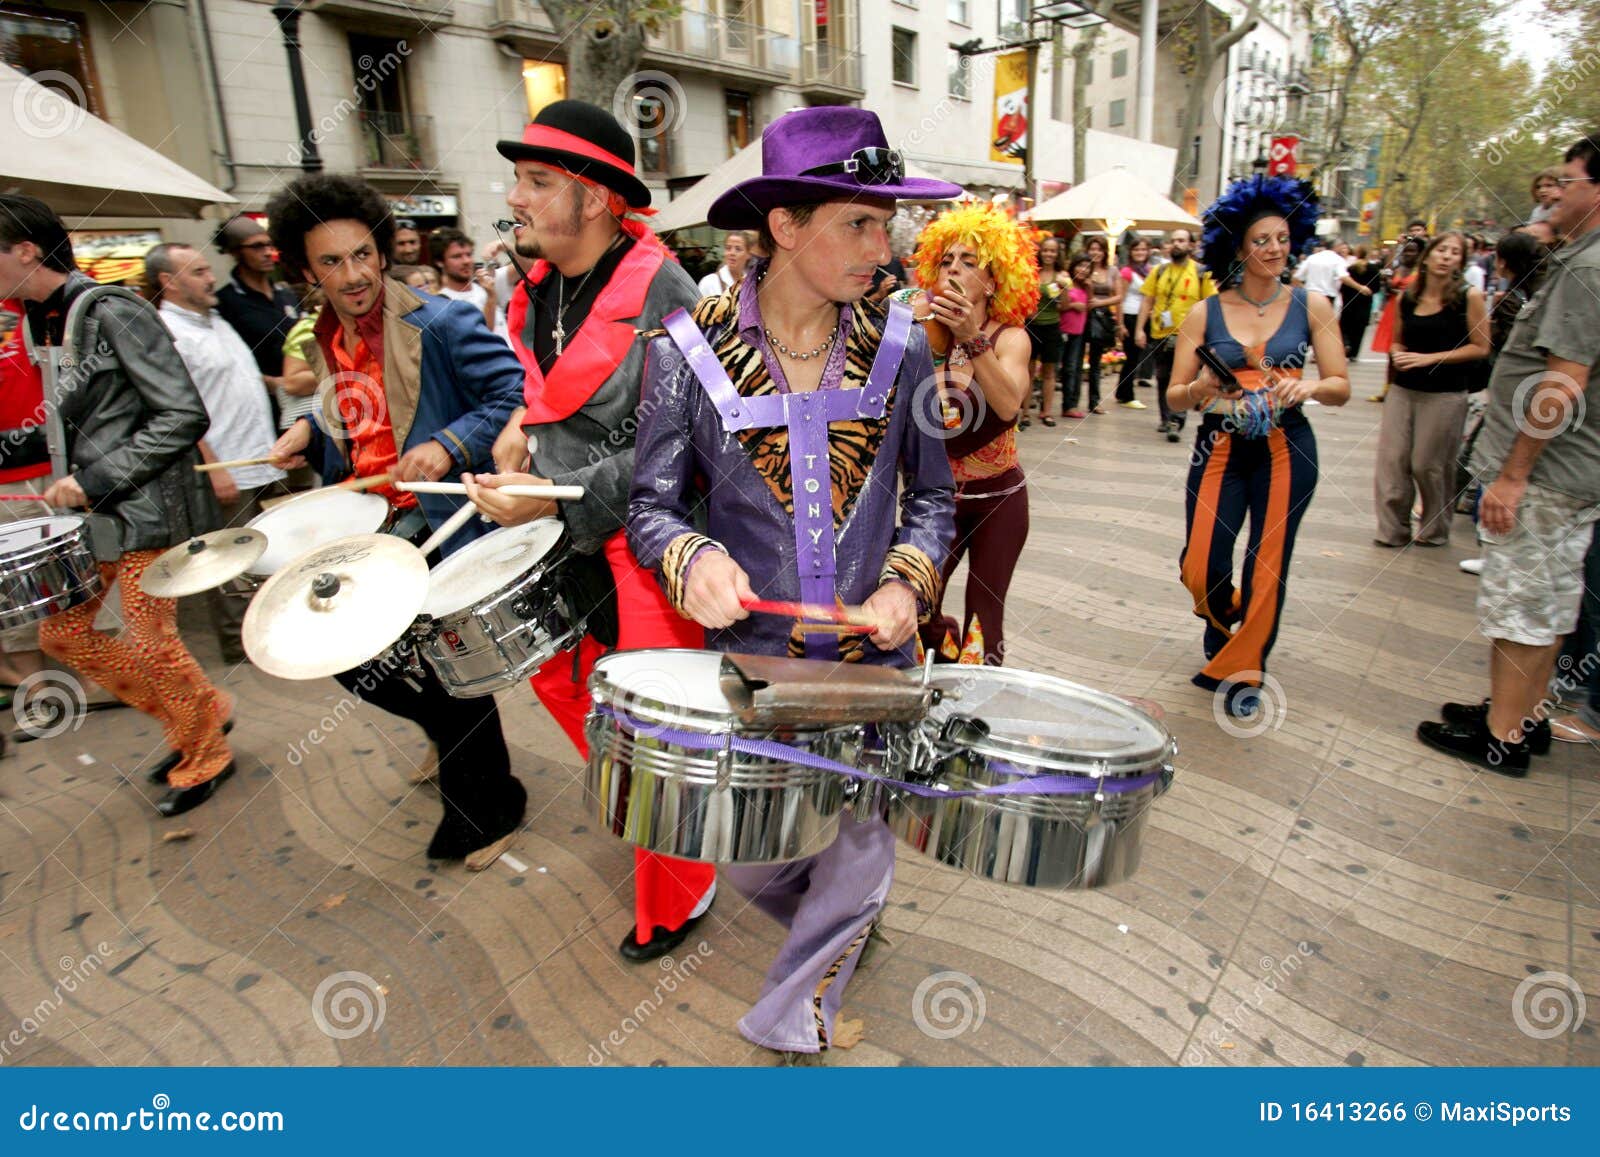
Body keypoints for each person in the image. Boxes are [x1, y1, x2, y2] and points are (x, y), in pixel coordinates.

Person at [628, 105, 958, 1059]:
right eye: (858, 222)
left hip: (875, 662)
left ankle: (793, 1009)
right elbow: (650, 506)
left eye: (886, 223)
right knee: (747, 859)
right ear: (783, 226)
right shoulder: (682, 357)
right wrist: (688, 558)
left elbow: (934, 501)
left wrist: (907, 582)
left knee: (863, 835)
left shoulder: (905, 350)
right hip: (759, 666)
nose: (883, 247)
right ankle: (843, 913)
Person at [452, 100, 719, 962]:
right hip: (567, 536)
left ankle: (681, 884)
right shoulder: (533, 293)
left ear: (598, 198)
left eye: (536, 182)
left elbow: (684, 442)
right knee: (562, 688)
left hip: (647, 538)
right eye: (518, 181)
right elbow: (546, 407)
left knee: (649, 723)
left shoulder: (665, 285)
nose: (514, 198)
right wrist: (516, 451)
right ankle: (660, 807)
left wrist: (554, 498)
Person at [264, 174, 528, 867]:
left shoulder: (440, 321)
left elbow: (515, 392)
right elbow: (350, 421)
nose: (352, 275)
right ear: (306, 268)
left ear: (381, 251)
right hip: (362, 515)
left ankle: (491, 805)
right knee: (340, 657)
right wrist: (304, 432)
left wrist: (450, 443)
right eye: (331, 262)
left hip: (433, 520)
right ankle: (450, 738)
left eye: (361, 255)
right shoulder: (327, 334)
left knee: (446, 671)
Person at [0, 193, 231, 817]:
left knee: (153, 642)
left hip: (152, 509)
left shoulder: (111, 310)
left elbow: (183, 414)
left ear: (25, 251)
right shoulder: (33, 318)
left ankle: (205, 750)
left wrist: (95, 477)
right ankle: (200, 713)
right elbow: (63, 426)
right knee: (64, 636)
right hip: (101, 516)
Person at [1420, 134, 1600, 775]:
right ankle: (1520, 714)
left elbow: (1562, 383)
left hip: (1546, 476)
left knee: (1520, 605)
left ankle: (1504, 736)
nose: (1555, 190)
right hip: (1566, 476)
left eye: (1569, 180)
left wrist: (1514, 475)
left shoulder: (1588, 269)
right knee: (1547, 604)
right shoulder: (1580, 258)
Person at [1167, 175, 1350, 718]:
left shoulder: (1312, 305)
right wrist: (1199, 388)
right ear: (1238, 248)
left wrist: (1308, 385)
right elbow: (1176, 395)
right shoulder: (1205, 312)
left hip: (1286, 447)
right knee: (1202, 565)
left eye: (1282, 237)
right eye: (1261, 240)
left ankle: (1243, 668)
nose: (1275, 249)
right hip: (1219, 447)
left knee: (1267, 563)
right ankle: (1225, 618)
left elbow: (1340, 386)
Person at [894, 202, 1033, 664]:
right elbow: (917, 416)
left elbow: (1009, 405)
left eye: (969, 262)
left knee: (983, 620)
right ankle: (938, 653)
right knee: (914, 607)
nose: (953, 268)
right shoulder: (921, 334)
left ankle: (975, 714)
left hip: (999, 500)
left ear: (993, 281)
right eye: (946, 260)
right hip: (937, 501)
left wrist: (972, 337)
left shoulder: (1010, 338)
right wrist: (912, 336)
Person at [147, 242, 288, 663]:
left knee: (264, 549)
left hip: (259, 458)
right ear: (168, 282)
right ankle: (239, 643)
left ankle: (268, 628)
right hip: (221, 464)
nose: (211, 278)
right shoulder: (165, 331)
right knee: (227, 558)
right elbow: (176, 409)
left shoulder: (217, 321)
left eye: (208, 270)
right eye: (198, 272)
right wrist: (210, 467)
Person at [1372, 232, 1490, 548]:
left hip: (1445, 393)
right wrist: (1397, 352)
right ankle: (1392, 529)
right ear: (1429, 256)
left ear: (1461, 263)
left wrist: (1432, 358)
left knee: (1428, 463)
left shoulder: (1469, 297)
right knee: (1393, 460)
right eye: (1442, 250)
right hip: (1404, 389)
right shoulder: (1408, 296)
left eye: (1455, 252)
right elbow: (1397, 338)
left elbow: (1481, 347)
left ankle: (1434, 528)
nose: (1447, 256)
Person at [1137, 228, 1217, 442]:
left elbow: (1212, 306)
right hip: (1161, 335)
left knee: (1183, 378)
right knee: (1163, 377)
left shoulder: (1201, 273)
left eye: (1181, 240)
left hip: (1188, 337)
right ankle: (1166, 418)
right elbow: (1147, 301)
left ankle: (1176, 420)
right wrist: (1139, 329)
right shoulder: (1159, 271)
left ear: (1191, 245)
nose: (1176, 244)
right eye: (1173, 240)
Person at [212, 216, 300, 391]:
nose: (268, 252)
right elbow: (228, 363)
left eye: (269, 245)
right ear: (235, 252)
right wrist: (267, 383)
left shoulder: (286, 295)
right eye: (257, 246)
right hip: (262, 401)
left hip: (303, 393)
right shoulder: (224, 303)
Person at [1062, 235, 1120, 417]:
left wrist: (1097, 303)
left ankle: (1094, 401)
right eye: (1092, 249)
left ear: (1105, 252)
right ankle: (1071, 402)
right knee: (1075, 361)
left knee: (1095, 362)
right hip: (1080, 318)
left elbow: (1119, 297)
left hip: (1099, 319)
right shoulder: (1083, 269)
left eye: (1099, 249)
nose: (1096, 252)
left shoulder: (1111, 271)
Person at [1368, 237, 1422, 402]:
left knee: (1408, 352)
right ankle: (1387, 389)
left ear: (1420, 253)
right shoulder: (1399, 268)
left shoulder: (1421, 271)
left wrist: (1402, 293)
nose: (1408, 254)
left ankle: (1405, 391)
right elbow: (1387, 275)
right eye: (1406, 250)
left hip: (1410, 312)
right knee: (1391, 355)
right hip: (1392, 311)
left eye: (1412, 250)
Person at [1024, 235, 1066, 428]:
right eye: (1046, 250)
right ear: (1040, 252)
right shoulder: (1032, 273)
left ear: (1058, 254)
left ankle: (1046, 412)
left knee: (1049, 371)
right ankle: (1025, 413)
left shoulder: (1062, 276)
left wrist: (1064, 289)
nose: (1049, 254)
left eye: (1053, 251)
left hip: (1052, 326)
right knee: (1028, 370)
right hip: (1031, 326)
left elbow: (1064, 306)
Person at [1115, 237, 1154, 409]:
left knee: (1136, 357)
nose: (1140, 253)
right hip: (1130, 315)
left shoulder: (1150, 271)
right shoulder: (1127, 272)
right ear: (1131, 252)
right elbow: (1120, 299)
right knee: (1132, 357)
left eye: (1143, 250)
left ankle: (1122, 392)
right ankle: (1127, 395)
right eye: (1137, 249)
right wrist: (1120, 324)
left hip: (1144, 317)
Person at [433, 227, 496, 328]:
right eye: (457, 256)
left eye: (469, 254)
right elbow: (482, 334)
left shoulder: (487, 284)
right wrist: (491, 297)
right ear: (440, 262)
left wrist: (503, 245)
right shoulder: (442, 303)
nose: (466, 261)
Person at [1058, 256, 1092, 419]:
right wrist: (1073, 305)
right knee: (1068, 368)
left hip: (1079, 332)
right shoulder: (1065, 283)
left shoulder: (1086, 287)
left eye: (1087, 267)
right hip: (1064, 331)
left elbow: (1089, 305)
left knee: (1076, 368)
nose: (1083, 270)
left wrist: (1090, 288)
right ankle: (1067, 405)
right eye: (1080, 266)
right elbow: (1059, 306)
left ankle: (1072, 403)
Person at [1338, 245, 1382, 359]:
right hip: (1364, 303)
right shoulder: (1373, 268)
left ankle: (1346, 344)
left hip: (1349, 302)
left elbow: (1343, 287)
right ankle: (1354, 353)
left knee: (1345, 326)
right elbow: (1376, 287)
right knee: (1359, 330)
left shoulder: (1350, 268)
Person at [697, 230, 755, 296]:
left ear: (749, 254)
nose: (732, 253)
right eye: (728, 248)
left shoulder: (752, 284)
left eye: (738, 249)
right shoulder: (709, 282)